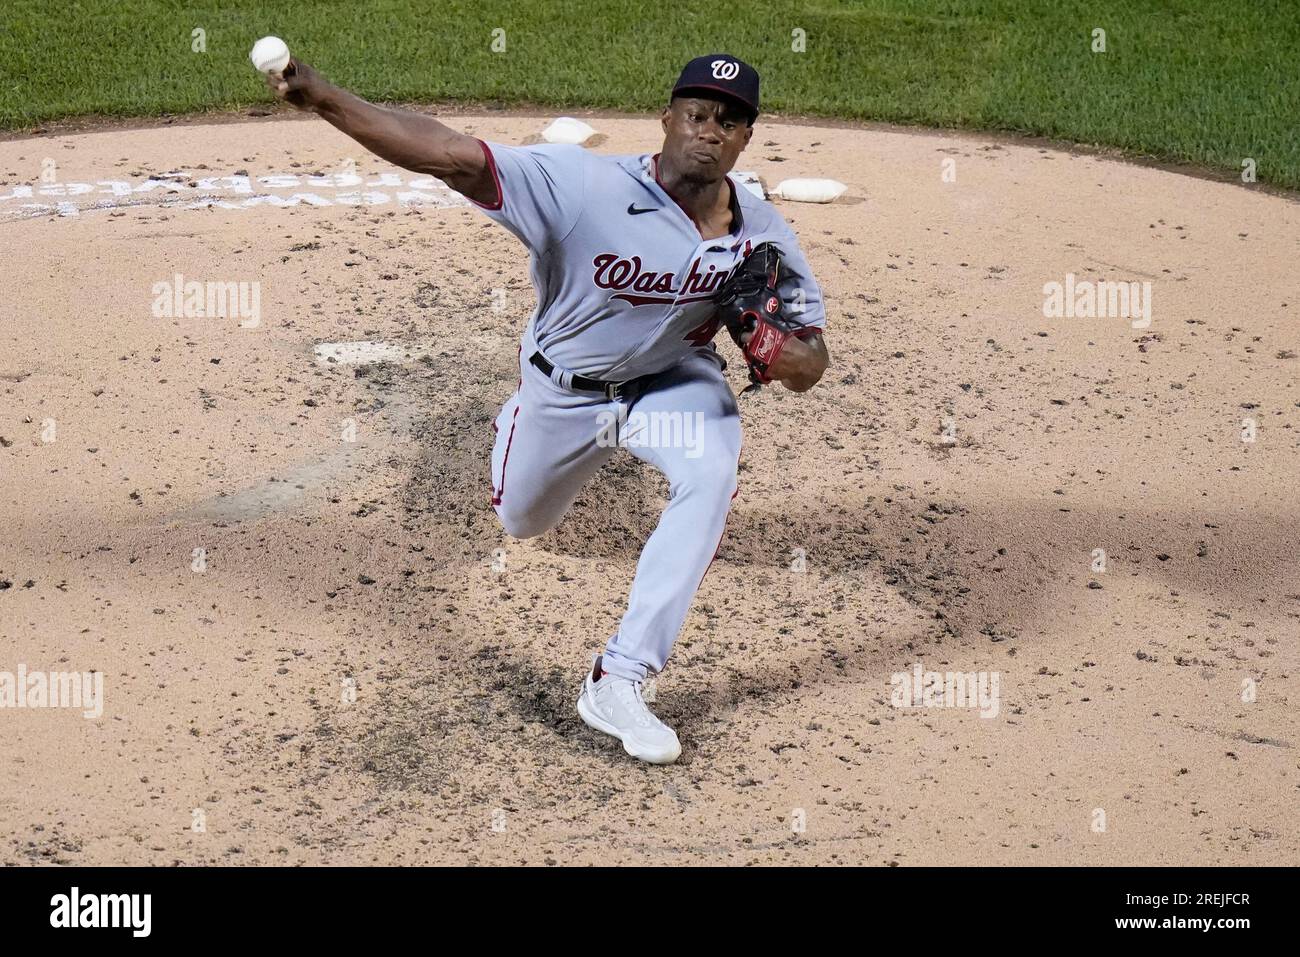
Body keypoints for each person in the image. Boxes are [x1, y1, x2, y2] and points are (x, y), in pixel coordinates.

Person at [268, 53, 830, 764]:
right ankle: (518, 430)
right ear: (666, 118)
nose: (709, 132)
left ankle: (620, 678)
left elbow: (811, 365)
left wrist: (771, 340)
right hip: (564, 392)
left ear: (747, 137)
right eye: (696, 114)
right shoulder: (583, 185)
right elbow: (446, 153)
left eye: (729, 121)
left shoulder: (763, 235)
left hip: (670, 384)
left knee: (710, 473)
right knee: (524, 520)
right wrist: (324, 97)